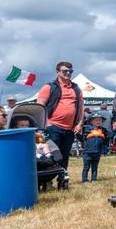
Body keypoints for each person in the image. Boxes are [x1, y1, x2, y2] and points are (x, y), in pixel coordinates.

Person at [35, 61, 84, 189]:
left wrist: (79, 124)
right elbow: (39, 107)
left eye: (70, 71)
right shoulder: (49, 87)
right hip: (53, 127)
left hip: (70, 128)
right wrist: (47, 124)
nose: (68, 74)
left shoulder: (76, 88)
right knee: (52, 156)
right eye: (65, 71)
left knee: (64, 156)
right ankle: (47, 181)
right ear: (58, 72)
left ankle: (62, 179)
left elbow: (80, 108)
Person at [80, 115, 108, 183]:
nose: (98, 121)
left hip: (97, 152)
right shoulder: (87, 129)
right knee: (86, 167)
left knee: (95, 167)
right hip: (88, 152)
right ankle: (85, 180)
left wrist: (105, 149)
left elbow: (106, 139)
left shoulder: (103, 130)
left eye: (100, 120)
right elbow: (81, 138)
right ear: (91, 122)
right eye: (96, 120)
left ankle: (94, 179)